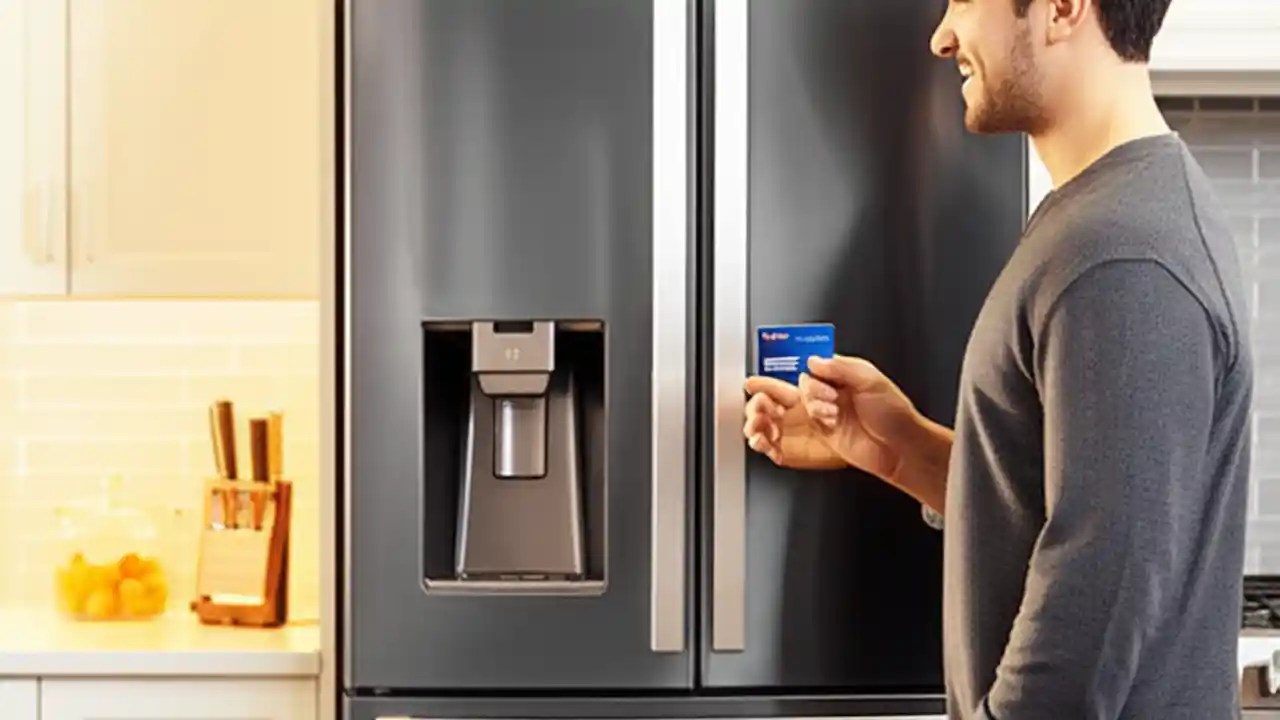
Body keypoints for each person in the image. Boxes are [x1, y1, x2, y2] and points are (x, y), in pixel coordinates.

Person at [742, 0, 1254, 718]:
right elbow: (1075, 511)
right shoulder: (1097, 223)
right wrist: (903, 451)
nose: (942, 34)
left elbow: (1092, 597)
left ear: (1062, 8)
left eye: (965, 2)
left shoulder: (1121, 254)